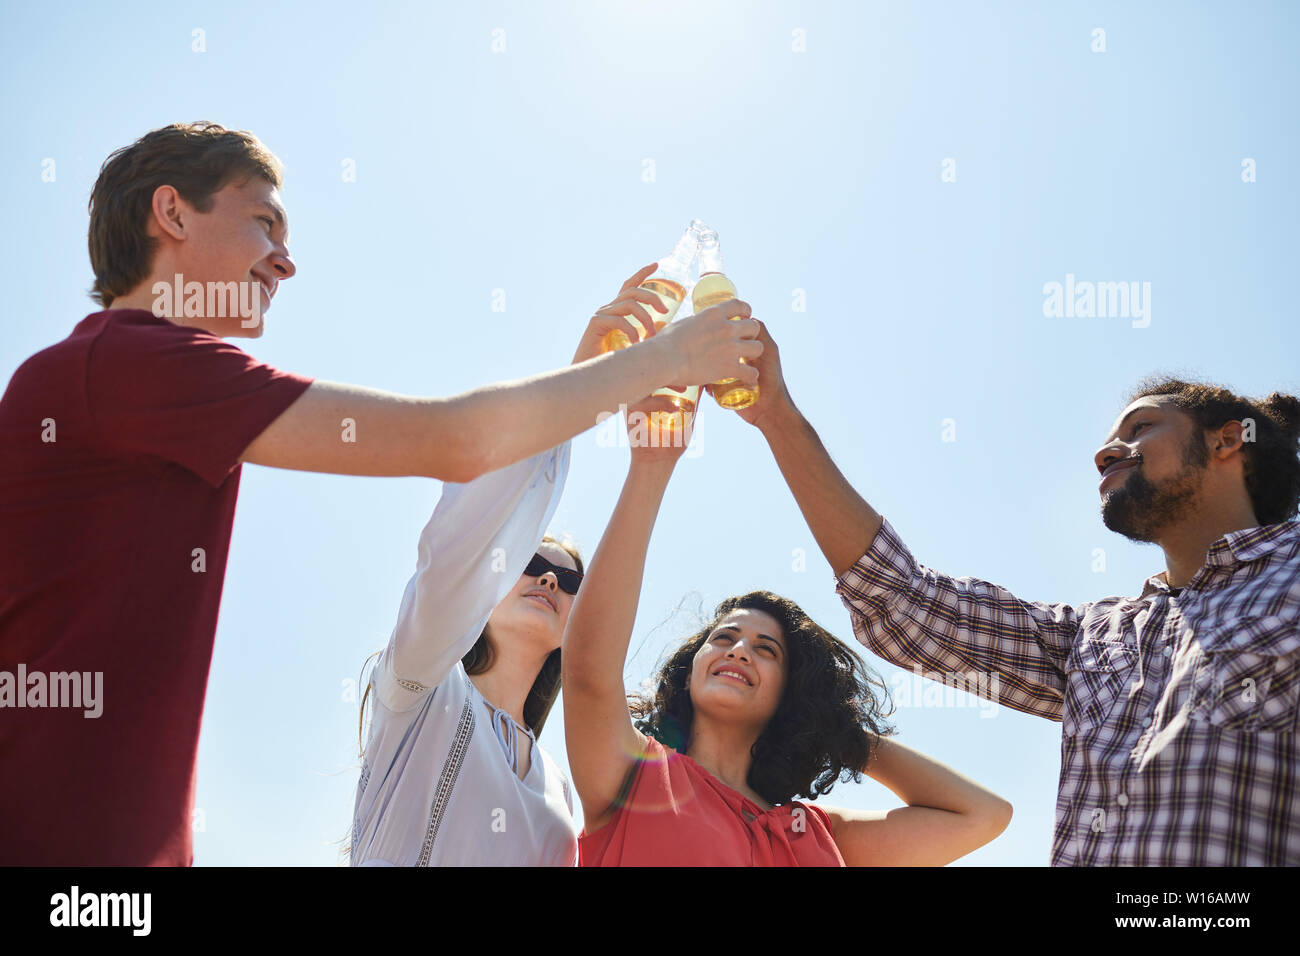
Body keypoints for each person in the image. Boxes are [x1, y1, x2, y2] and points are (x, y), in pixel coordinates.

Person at [0, 121, 761, 866]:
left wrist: (591, 375)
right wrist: (657, 358)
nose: (285, 261)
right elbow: (456, 442)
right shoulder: (128, 363)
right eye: (265, 222)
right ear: (171, 212)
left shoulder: (140, 381)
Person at [732, 320, 1300, 866]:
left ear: (1228, 440)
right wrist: (775, 416)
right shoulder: (1096, 636)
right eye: (1108, 440)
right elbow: (903, 599)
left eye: (1141, 428)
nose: (1105, 453)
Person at [562, 396, 1013, 866]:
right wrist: (650, 467)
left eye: (766, 650)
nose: (738, 650)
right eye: (723, 637)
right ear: (690, 667)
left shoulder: (814, 833)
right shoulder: (636, 774)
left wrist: (836, 729)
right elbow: (589, 670)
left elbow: (982, 815)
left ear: (789, 691)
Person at [349, 437, 582, 865]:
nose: (549, 581)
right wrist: (576, 405)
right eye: (530, 565)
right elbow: (448, 571)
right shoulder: (426, 684)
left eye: (569, 582)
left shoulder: (559, 786)